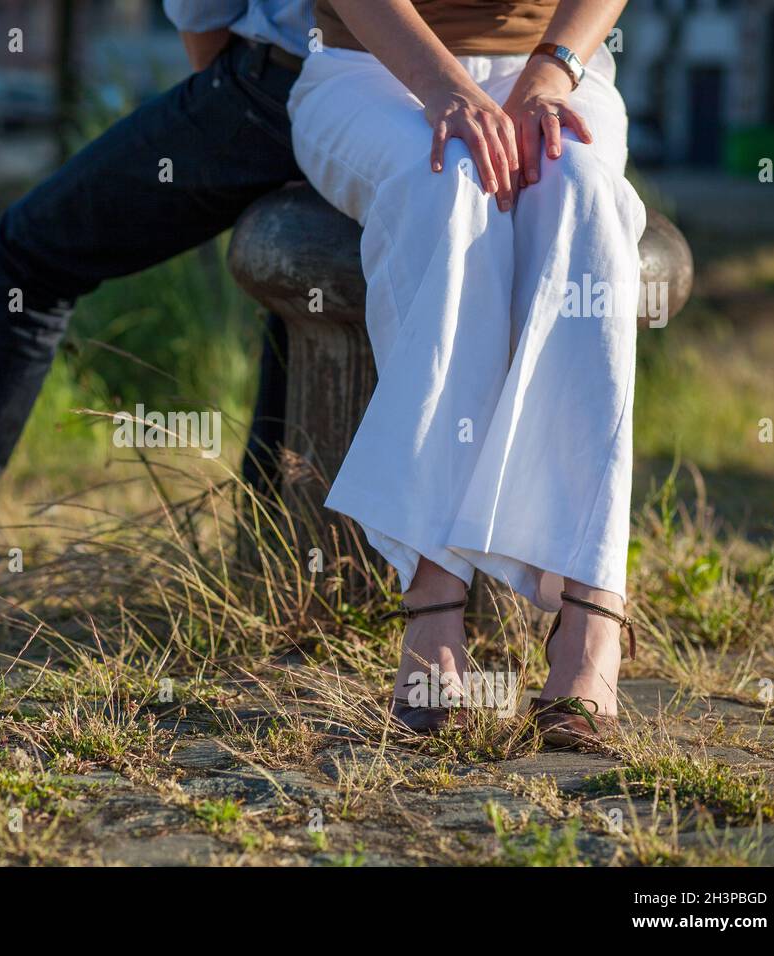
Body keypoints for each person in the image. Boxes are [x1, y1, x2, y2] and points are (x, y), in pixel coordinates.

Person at [0, 2, 314, 598]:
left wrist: (227, 88)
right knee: (300, 293)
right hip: (413, 103)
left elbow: (206, 17)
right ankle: (275, 551)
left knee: (28, 257)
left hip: (277, 88)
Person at [289, 0, 642, 746]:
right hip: (372, 71)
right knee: (448, 182)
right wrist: (444, 86)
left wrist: (552, 70)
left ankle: (592, 607)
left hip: (559, 61)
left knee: (580, 190)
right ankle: (433, 606)